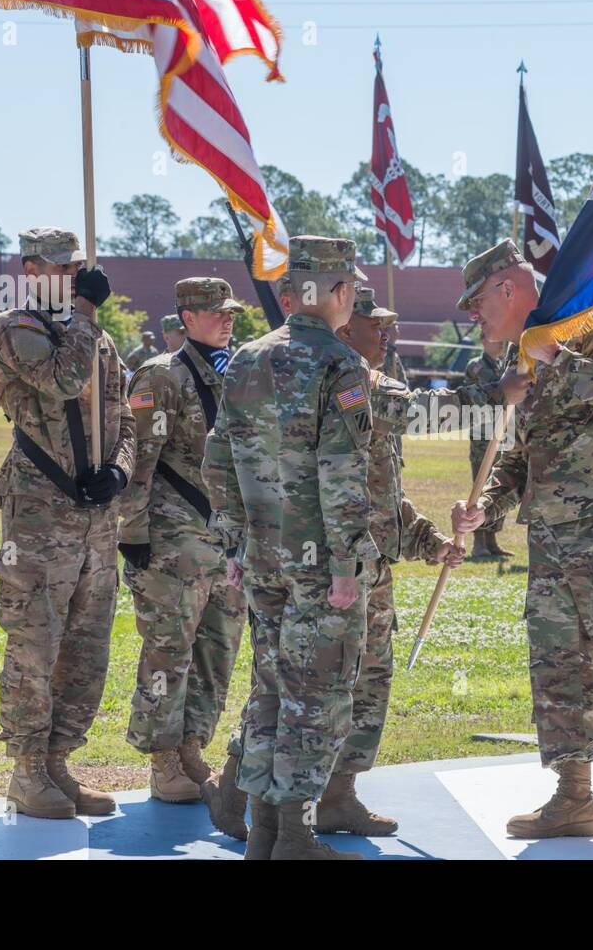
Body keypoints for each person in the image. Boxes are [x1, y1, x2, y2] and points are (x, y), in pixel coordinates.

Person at [451, 239, 593, 847]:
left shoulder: (590, 326)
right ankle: (573, 797)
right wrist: (485, 507)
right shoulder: (523, 357)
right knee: (558, 673)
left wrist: (554, 355)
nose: (473, 316)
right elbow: (520, 454)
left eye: (477, 302)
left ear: (507, 289)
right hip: (549, 546)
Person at [201, 235, 377, 860]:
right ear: (337, 293)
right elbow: (340, 473)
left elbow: (217, 458)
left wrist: (230, 541)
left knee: (271, 687)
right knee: (319, 693)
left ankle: (266, 832)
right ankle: (293, 835)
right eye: (350, 288)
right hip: (319, 562)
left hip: (261, 556)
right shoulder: (340, 364)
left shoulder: (245, 358)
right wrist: (350, 563)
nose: (351, 298)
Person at [0, 227, 135, 820]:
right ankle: (25, 770)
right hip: (40, 509)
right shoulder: (12, 330)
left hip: (97, 516)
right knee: (35, 642)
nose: (73, 277)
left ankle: (59, 762)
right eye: (61, 268)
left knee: (87, 645)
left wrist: (120, 469)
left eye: (77, 269)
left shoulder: (96, 337)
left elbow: (123, 415)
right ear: (30, 268)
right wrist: (87, 312)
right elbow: (62, 380)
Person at [305, 286, 465, 836]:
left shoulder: (369, 381)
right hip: (334, 567)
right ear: (347, 328)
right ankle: (250, 792)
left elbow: (384, 497)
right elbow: (426, 413)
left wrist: (427, 540)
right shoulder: (344, 383)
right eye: (379, 324)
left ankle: (340, 794)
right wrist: (498, 393)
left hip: (371, 567)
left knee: (370, 679)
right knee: (315, 683)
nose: (389, 333)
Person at [118, 278, 249, 805]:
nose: (226, 320)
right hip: (175, 540)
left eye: (230, 312)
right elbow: (138, 459)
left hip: (229, 544)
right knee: (169, 651)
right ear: (186, 317)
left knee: (218, 651)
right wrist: (133, 533)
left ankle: (194, 745)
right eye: (214, 313)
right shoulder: (162, 376)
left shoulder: (241, 372)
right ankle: (163, 758)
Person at [463, 337, 513, 559]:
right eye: (495, 340)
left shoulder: (507, 366)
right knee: (480, 486)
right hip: (483, 435)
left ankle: (492, 540)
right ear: (483, 342)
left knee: (498, 484)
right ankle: (478, 542)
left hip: (503, 434)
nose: (500, 344)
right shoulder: (476, 367)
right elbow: (470, 398)